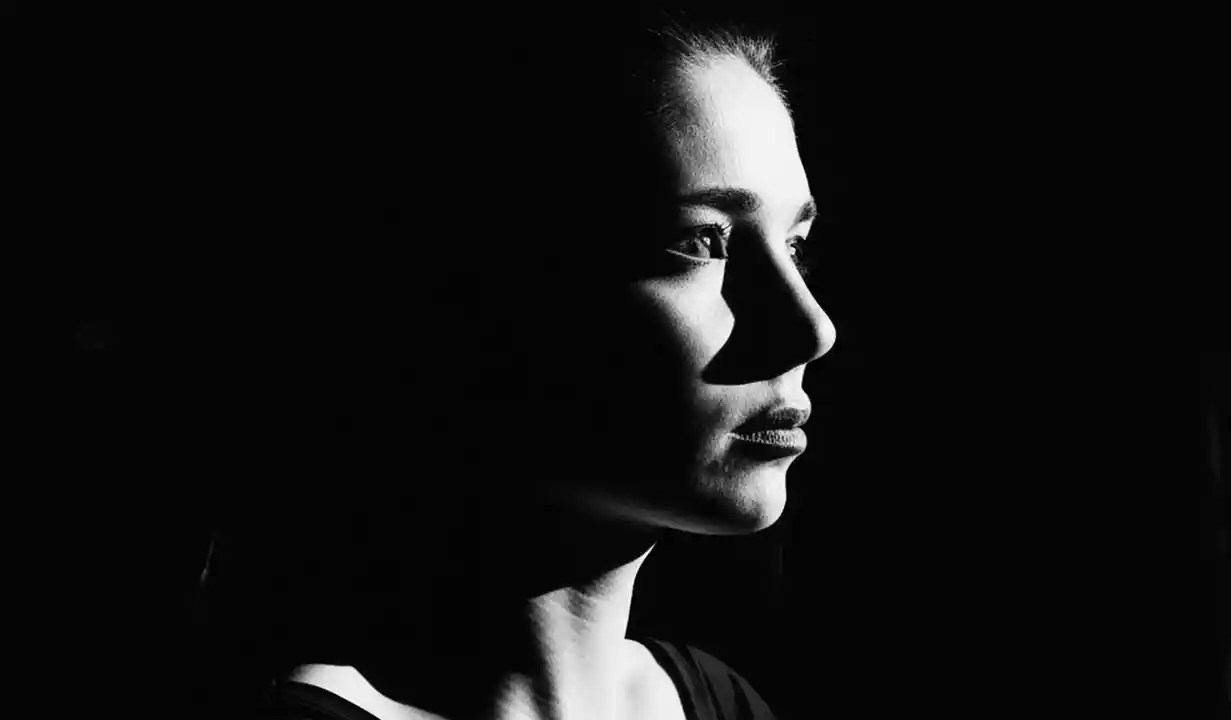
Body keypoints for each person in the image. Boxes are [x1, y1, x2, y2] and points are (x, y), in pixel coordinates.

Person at [194, 9, 836, 720]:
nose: (811, 328)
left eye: (797, 244)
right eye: (702, 240)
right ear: (485, 283)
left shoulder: (727, 705)